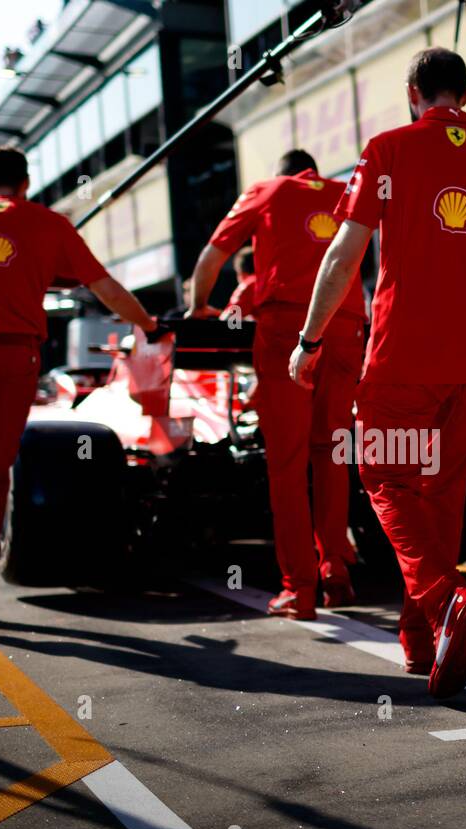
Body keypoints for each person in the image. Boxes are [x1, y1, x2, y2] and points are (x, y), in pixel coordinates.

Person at [289, 48, 466, 699]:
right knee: (440, 502)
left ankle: (446, 602)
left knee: (386, 478)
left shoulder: (387, 150)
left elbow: (344, 252)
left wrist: (310, 337)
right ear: (465, 96)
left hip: (401, 362)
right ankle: (422, 643)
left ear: (412, 92)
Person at [0, 145, 158, 622]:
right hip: (20, 354)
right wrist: (149, 323)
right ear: (26, 184)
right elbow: (104, 287)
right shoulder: (51, 223)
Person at [189, 149, 366, 619]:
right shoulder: (347, 191)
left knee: (287, 464)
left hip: (287, 327)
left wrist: (198, 307)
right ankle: (335, 568)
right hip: (347, 326)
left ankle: (299, 589)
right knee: (332, 454)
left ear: (280, 173)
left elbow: (213, 254)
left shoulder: (266, 192)